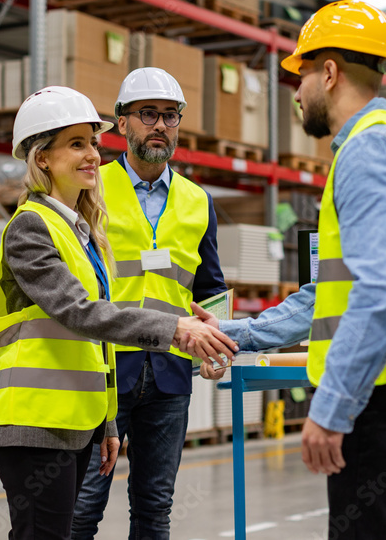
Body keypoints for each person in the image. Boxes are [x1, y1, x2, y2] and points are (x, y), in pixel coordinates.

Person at [194, 0, 386, 540]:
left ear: (331, 73)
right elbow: (327, 296)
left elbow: (378, 292)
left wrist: (333, 408)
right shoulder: (381, 145)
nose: (297, 94)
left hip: (381, 397)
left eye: (303, 76)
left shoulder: (369, 150)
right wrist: (233, 333)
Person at [0, 86, 237, 540]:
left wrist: (106, 422)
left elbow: (92, 339)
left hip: (94, 406)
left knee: (150, 509)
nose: (93, 154)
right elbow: (82, 313)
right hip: (36, 417)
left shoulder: (78, 227)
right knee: (69, 524)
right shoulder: (32, 226)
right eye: (77, 144)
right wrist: (174, 328)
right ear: (42, 158)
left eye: (92, 143)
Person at [73, 68, 228, 540]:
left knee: (155, 508)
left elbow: (210, 287)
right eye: (147, 115)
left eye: (170, 116)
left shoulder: (197, 201)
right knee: (82, 508)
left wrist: (216, 344)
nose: (160, 126)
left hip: (170, 374)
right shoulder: (89, 188)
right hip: (102, 369)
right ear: (122, 123)